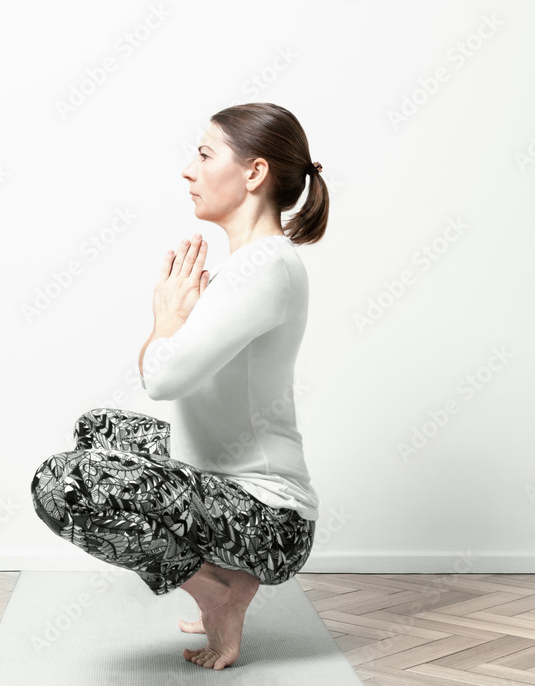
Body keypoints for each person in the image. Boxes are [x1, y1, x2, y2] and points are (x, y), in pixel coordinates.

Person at [31, 102, 330, 671]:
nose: (188, 170)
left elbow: (162, 377)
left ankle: (218, 590)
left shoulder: (263, 268)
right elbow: (166, 373)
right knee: (97, 432)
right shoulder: (247, 267)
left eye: (204, 154)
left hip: (269, 521)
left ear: (254, 173)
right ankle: (227, 577)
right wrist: (170, 324)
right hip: (227, 492)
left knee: (62, 483)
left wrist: (166, 318)